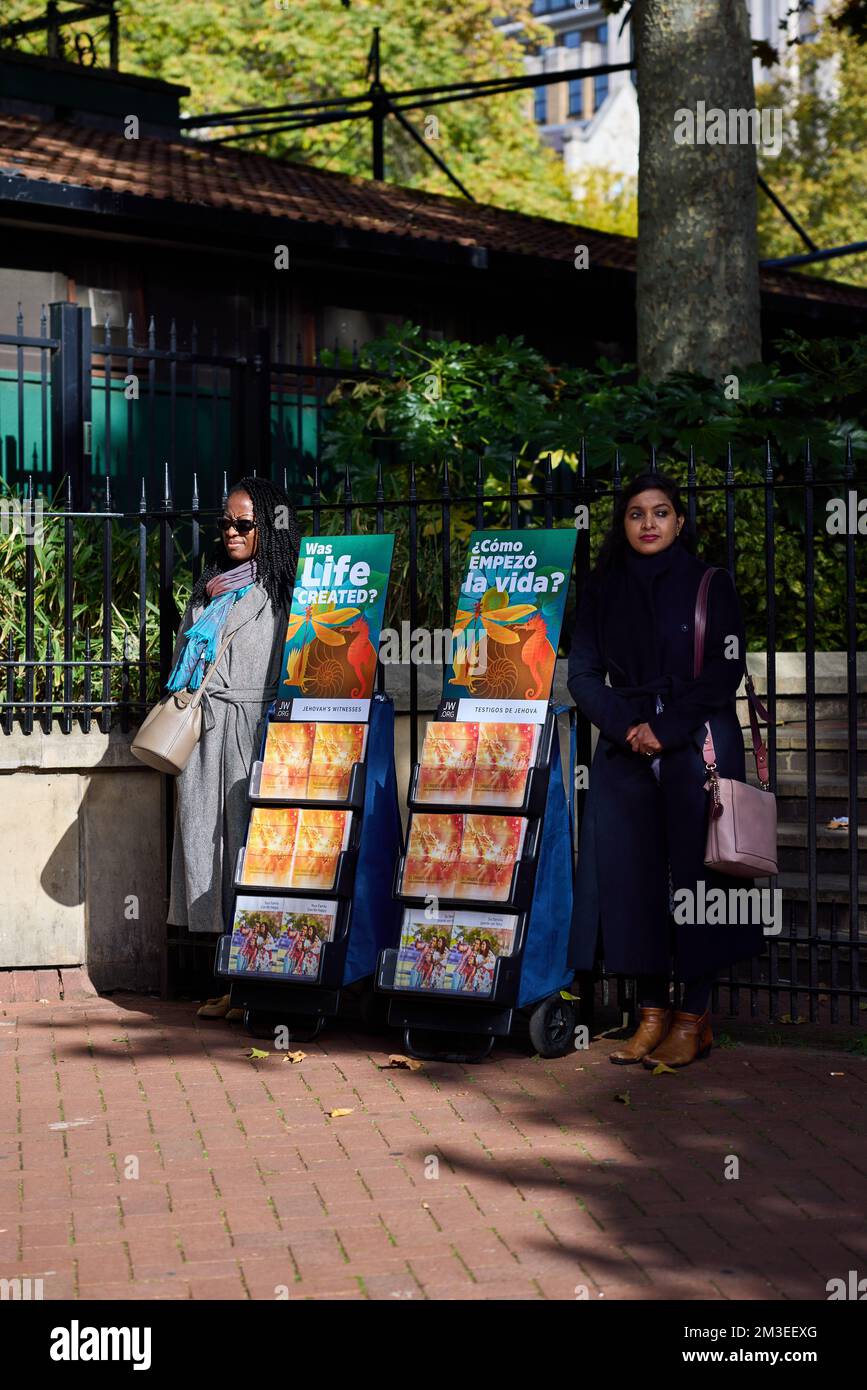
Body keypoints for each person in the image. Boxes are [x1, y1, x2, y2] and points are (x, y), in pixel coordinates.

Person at [567, 472, 763, 1069]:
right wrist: (629, 728)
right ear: (622, 524)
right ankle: (650, 1016)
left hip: (696, 742)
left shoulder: (710, 583)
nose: (648, 523)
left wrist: (665, 729)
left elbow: (723, 675)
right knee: (633, 880)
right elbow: (581, 676)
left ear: (679, 521)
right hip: (625, 748)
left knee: (699, 882)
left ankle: (694, 1018)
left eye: (661, 512)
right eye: (635, 514)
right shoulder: (601, 588)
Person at [163, 477, 300, 1020]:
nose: (232, 532)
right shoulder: (212, 588)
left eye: (244, 523)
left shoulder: (281, 595)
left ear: (268, 527)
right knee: (210, 859)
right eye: (225, 523)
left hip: (250, 735)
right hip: (204, 735)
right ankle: (230, 981)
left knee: (251, 856)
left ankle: (254, 982)